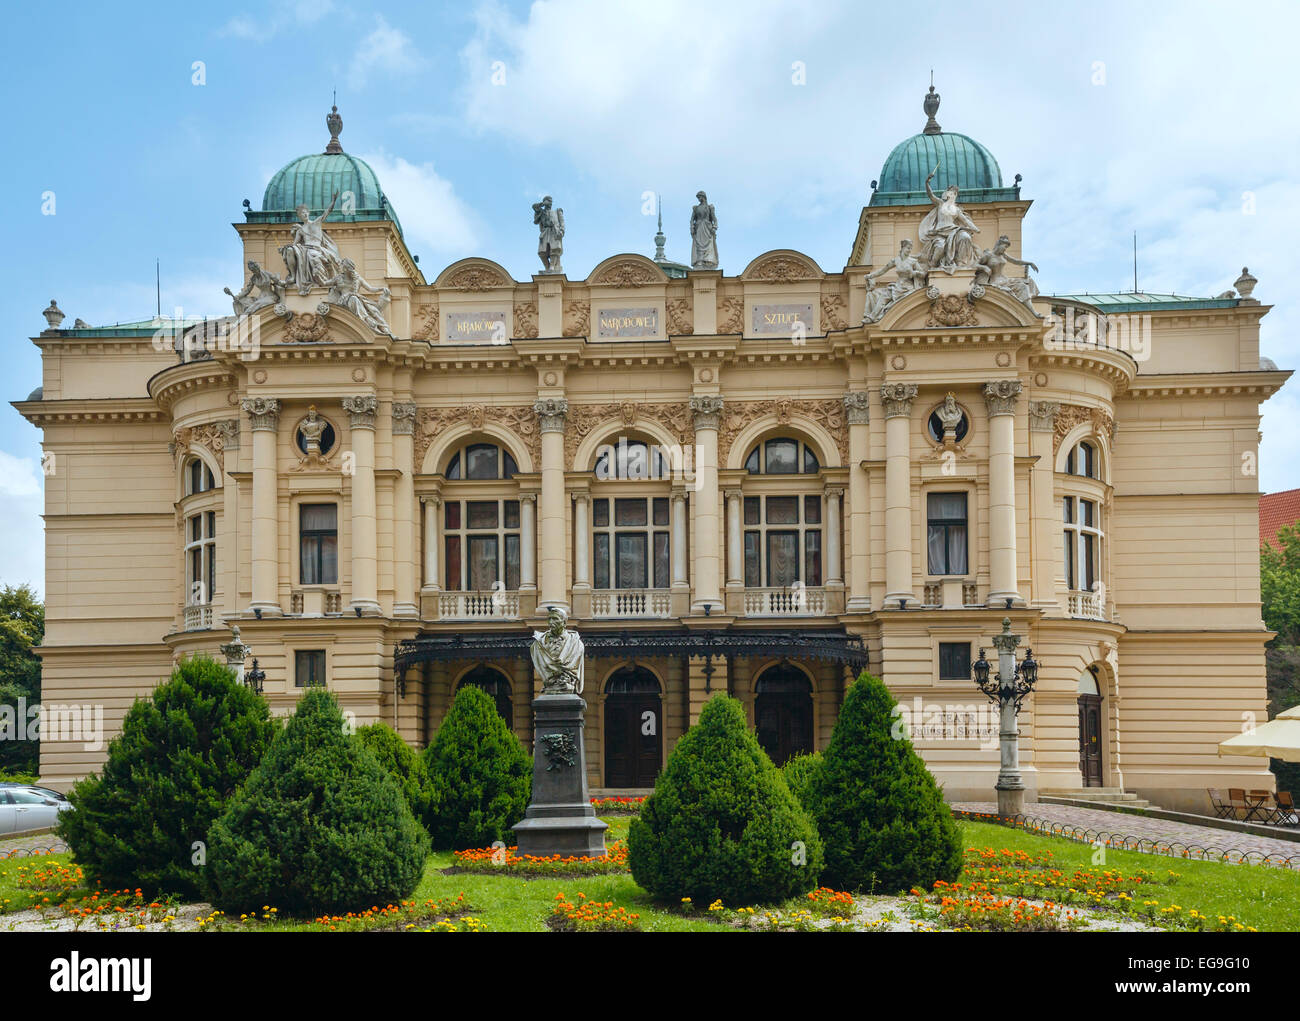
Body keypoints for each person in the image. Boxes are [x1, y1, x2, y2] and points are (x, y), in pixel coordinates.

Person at [918, 164, 979, 272]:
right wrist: (927, 182)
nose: (952, 195)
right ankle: (933, 265)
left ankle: (960, 262)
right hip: (940, 232)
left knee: (965, 237)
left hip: (953, 231)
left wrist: (975, 228)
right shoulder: (940, 203)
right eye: (950, 192)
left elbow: (965, 221)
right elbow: (931, 195)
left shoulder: (956, 209)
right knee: (940, 247)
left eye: (954, 193)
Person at [280, 193, 343, 294]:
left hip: (316, 248)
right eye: (302, 214)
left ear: (308, 213)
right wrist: (284, 249)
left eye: (305, 213)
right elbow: (295, 244)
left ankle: (322, 280)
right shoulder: (300, 230)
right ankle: (293, 276)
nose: (304, 215)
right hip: (305, 248)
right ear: (300, 216)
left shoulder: (316, 222)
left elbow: (327, 212)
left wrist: (333, 201)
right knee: (290, 250)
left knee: (312, 255)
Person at [531, 605, 585, 694]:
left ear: (564, 622)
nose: (551, 622)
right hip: (549, 686)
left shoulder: (576, 644)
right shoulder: (537, 645)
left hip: (567, 684)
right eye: (549, 619)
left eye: (555, 619)